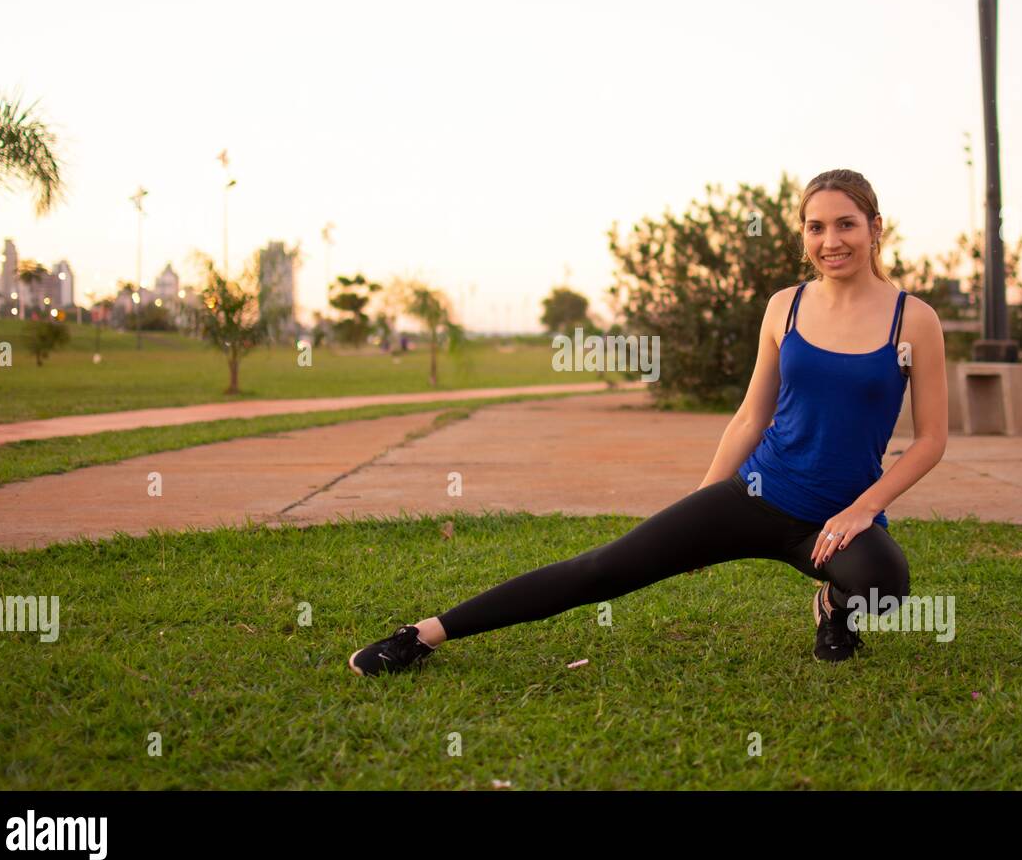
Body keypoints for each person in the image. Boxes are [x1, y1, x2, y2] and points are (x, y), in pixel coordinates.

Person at [349, 168, 948, 676]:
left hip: (838, 515)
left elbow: (930, 441)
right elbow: (750, 417)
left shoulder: (911, 320)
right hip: (758, 491)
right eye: (815, 227)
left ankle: (833, 610)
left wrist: (862, 509)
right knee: (603, 569)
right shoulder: (784, 308)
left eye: (846, 224)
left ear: (875, 228)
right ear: (803, 236)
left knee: (883, 588)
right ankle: (424, 635)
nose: (831, 240)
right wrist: (703, 506)